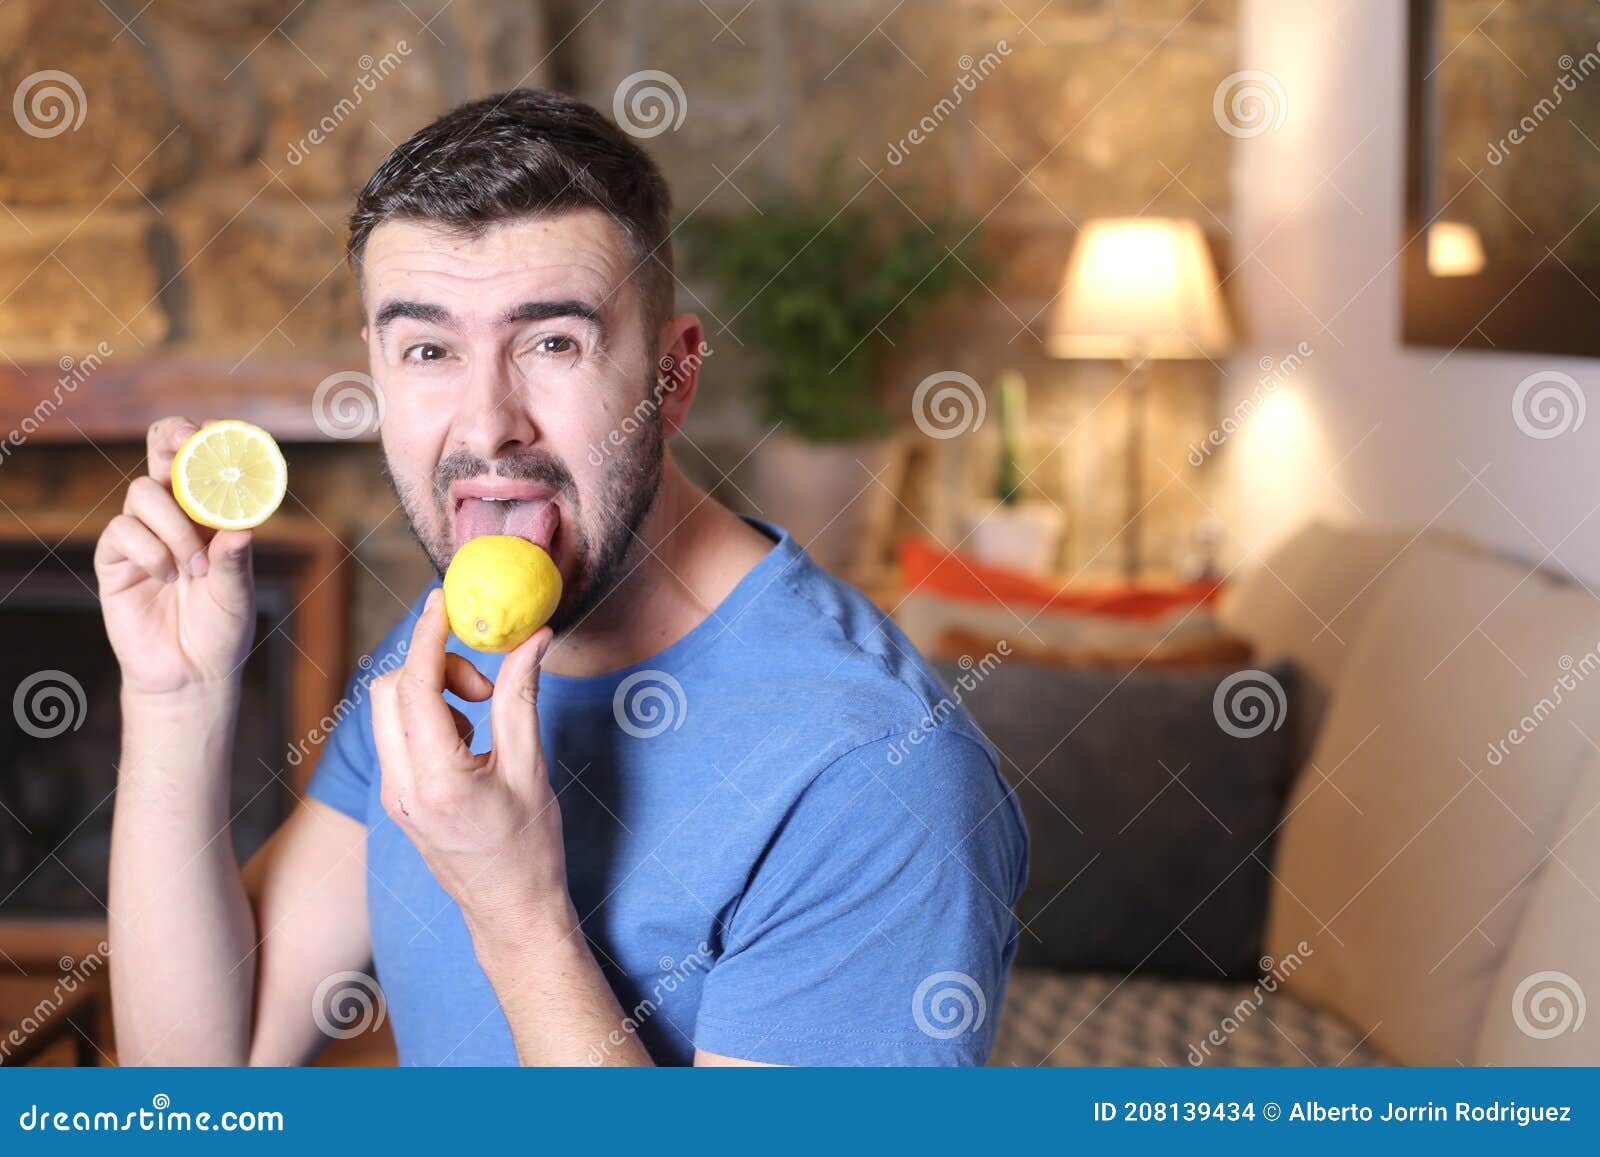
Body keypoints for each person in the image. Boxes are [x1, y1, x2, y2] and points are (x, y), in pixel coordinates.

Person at [97, 88, 1027, 1067]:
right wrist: (174, 700)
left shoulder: (871, 773)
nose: (487, 420)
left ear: (672, 379)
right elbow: (199, 1079)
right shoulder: (445, 642)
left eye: (551, 342)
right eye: (427, 348)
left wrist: (514, 907)